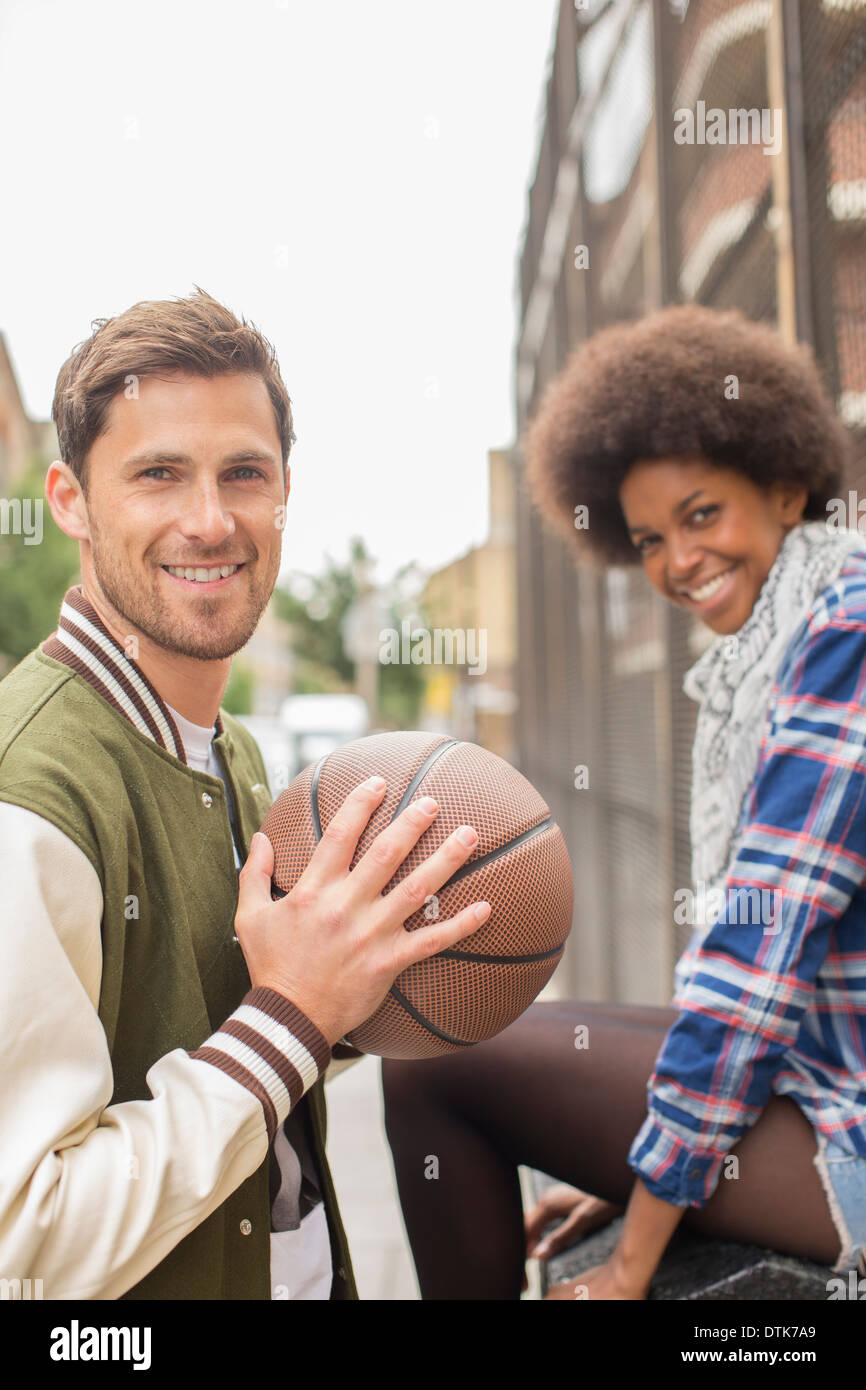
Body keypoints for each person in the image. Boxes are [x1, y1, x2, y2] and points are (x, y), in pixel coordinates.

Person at [0, 287, 490, 1300]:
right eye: (157, 475)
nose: (211, 519)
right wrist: (295, 1011)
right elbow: (25, 1241)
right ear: (69, 501)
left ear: (283, 492)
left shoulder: (234, 750)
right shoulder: (29, 791)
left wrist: (367, 976)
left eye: (243, 474)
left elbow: (223, 1040)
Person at [381, 302, 866, 1300]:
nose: (675, 562)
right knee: (451, 1029)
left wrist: (634, 1254)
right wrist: (651, 1167)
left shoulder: (843, 636)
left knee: (434, 1071)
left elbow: (755, 967)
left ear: (783, 486)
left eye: (700, 515)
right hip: (825, 1075)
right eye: (647, 538)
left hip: (848, 1122)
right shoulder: (772, 647)